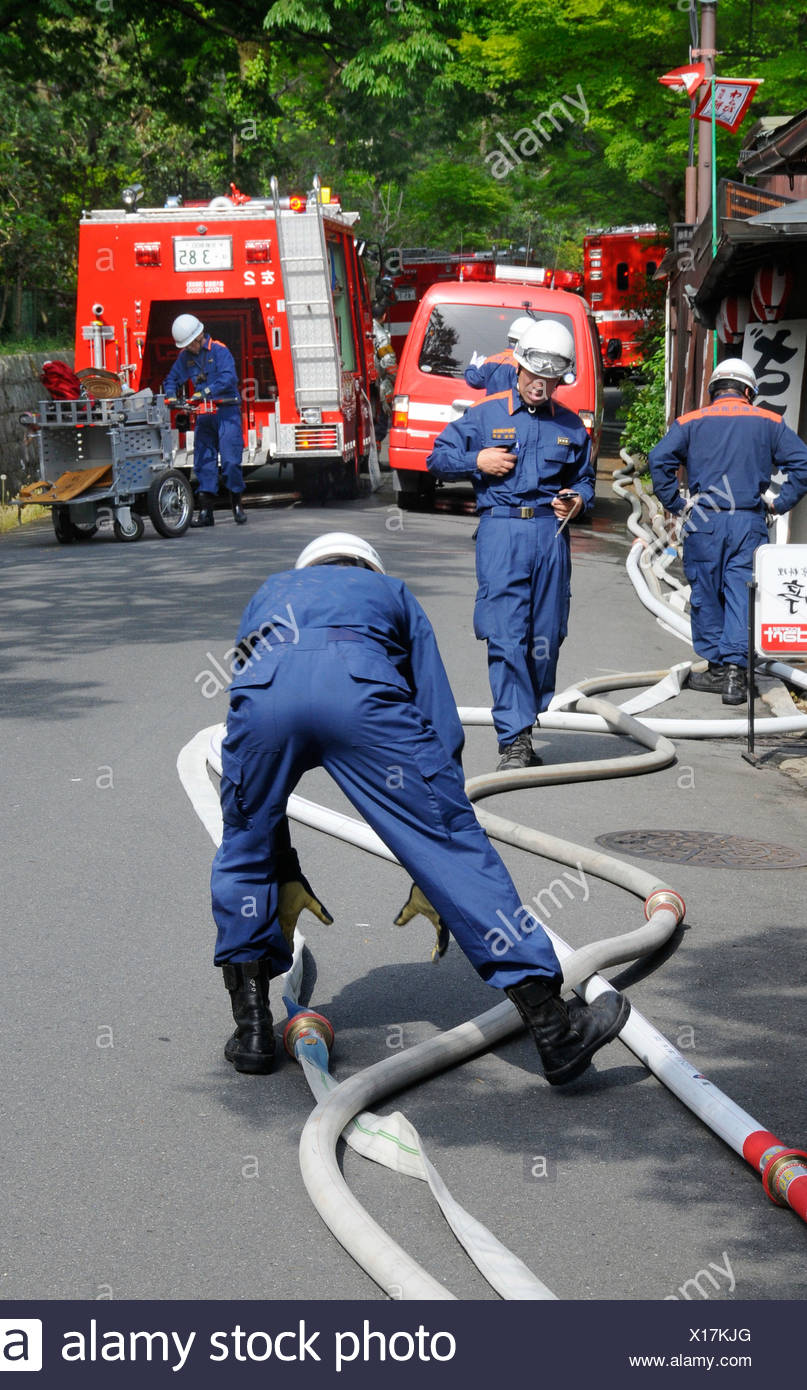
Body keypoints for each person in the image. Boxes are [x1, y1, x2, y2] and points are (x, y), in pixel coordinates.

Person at [210, 532, 629, 1083]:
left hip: (265, 705)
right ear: (366, 566)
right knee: (452, 848)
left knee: (244, 846)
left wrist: (278, 860)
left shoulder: (270, 591)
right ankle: (556, 1030)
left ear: (307, 566)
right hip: (359, 696)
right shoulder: (390, 592)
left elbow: (245, 696)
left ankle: (254, 1031)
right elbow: (434, 712)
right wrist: (435, 848)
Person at [427, 319, 594, 770]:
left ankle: (527, 715)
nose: (541, 385)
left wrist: (578, 500)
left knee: (547, 636)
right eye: (534, 376)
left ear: (560, 379)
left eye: (551, 378)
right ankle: (514, 738)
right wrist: (475, 459)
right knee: (505, 635)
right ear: (519, 368)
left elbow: (584, 479)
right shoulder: (485, 415)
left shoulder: (572, 426)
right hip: (501, 531)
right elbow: (436, 457)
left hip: (551, 535)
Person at [649, 358, 807, 705]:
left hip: (704, 519)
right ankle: (736, 675)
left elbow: (658, 458)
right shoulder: (769, 421)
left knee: (705, 592)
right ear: (749, 391)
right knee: (741, 592)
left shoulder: (691, 421)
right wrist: (780, 504)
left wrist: (675, 503)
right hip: (749, 521)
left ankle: (718, 669)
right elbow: (802, 462)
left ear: (714, 390)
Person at [163, 314, 247, 527]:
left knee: (230, 461)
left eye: (190, 344)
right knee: (204, 463)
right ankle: (206, 512)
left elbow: (229, 378)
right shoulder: (185, 357)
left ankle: (237, 504)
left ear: (199, 336)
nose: (188, 348)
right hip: (204, 416)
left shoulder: (220, 351)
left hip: (226, 411)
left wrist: (206, 391)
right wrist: (171, 396)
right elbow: (171, 378)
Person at [464, 317, 536, 396]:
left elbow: (474, 381)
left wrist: (472, 367)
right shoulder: (528, 366)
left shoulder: (491, 361)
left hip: (492, 407)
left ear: (509, 337)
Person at [371, 298, 398, 448]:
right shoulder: (381, 335)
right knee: (381, 423)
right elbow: (388, 361)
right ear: (384, 316)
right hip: (380, 384)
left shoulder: (368, 329)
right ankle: (375, 458)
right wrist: (397, 379)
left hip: (371, 383)